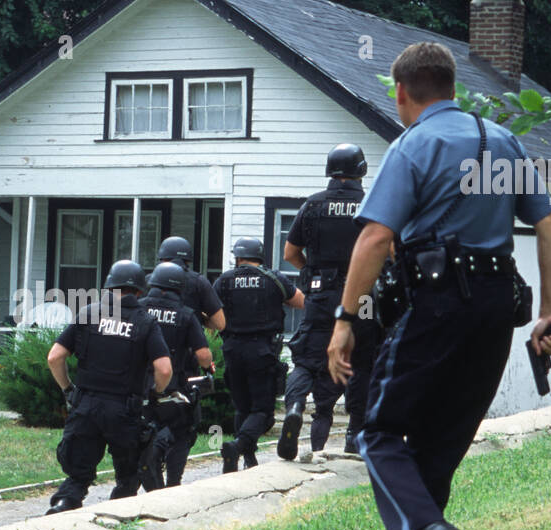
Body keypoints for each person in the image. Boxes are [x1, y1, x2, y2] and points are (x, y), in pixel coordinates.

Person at [327, 41, 551, 530]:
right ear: (453, 87)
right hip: (494, 310)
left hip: (435, 304)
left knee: (379, 432)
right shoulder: (503, 142)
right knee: (437, 446)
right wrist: (549, 311)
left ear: (403, 92)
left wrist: (344, 318)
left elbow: (376, 238)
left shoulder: (416, 144)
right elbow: (549, 224)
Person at [278, 143, 383, 460]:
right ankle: (355, 432)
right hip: (362, 296)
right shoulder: (371, 205)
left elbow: (290, 254)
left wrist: (314, 273)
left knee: (307, 359)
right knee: (363, 358)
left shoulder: (312, 205)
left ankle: (295, 406)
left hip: (321, 294)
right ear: (361, 171)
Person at [45, 259, 172, 514]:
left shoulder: (88, 313)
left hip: (86, 406)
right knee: (128, 476)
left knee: (78, 475)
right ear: (139, 291)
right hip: (123, 411)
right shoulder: (145, 321)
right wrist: (157, 393)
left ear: (108, 287)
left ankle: (63, 506)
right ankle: (113, 518)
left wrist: (69, 390)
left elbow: (54, 357)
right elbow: (165, 369)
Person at [212, 236, 305, 473]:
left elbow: (211, 315)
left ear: (238, 257)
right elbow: (301, 301)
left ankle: (248, 460)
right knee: (262, 411)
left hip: (232, 350)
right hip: (262, 351)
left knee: (242, 407)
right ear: (259, 256)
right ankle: (239, 445)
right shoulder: (273, 278)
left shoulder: (224, 280)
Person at [137, 262, 215, 490]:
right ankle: (172, 483)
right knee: (185, 429)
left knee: (144, 428)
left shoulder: (139, 308)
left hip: (140, 385)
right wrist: (208, 364)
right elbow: (202, 355)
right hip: (173, 386)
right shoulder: (185, 315)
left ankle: (150, 472)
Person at [157, 236, 225, 332]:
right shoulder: (199, 282)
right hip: (189, 344)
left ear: (162, 258)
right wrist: (196, 318)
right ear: (187, 260)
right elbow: (220, 324)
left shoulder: (148, 281)